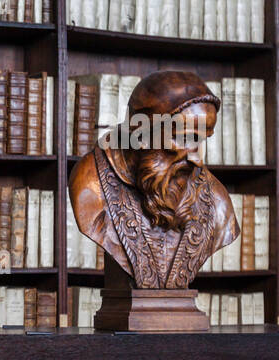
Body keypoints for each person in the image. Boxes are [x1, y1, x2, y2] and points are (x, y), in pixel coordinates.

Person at [69, 70, 238, 290]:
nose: (197, 160)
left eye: (200, 141)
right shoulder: (90, 183)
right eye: (184, 139)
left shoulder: (217, 200)